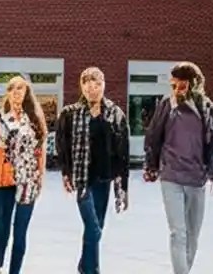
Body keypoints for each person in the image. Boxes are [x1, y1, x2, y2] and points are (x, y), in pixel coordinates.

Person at [144, 61, 213, 274]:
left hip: (196, 178)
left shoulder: (209, 109)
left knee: (192, 235)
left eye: (181, 85)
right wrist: (151, 165)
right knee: (177, 233)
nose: (176, 90)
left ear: (194, 84)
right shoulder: (166, 105)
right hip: (171, 176)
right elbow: (153, 135)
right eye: (173, 86)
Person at [56, 67, 132, 274]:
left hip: (104, 178)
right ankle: (92, 269)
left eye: (97, 84)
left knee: (97, 226)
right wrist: (65, 172)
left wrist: (122, 185)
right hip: (82, 178)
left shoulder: (115, 113)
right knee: (93, 226)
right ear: (82, 86)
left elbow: (122, 151)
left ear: (103, 85)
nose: (92, 89)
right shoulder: (70, 114)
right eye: (88, 84)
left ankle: (85, 266)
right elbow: (62, 145)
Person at [0, 76, 47, 274]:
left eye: (21, 88)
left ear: (27, 93)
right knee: (2, 228)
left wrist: (41, 177)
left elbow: (40, 151)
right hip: (1, 179)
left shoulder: (34, 119)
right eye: (12, 88)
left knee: (20, 231)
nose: (16, 92)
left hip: (28, 180)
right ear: (7, 92)